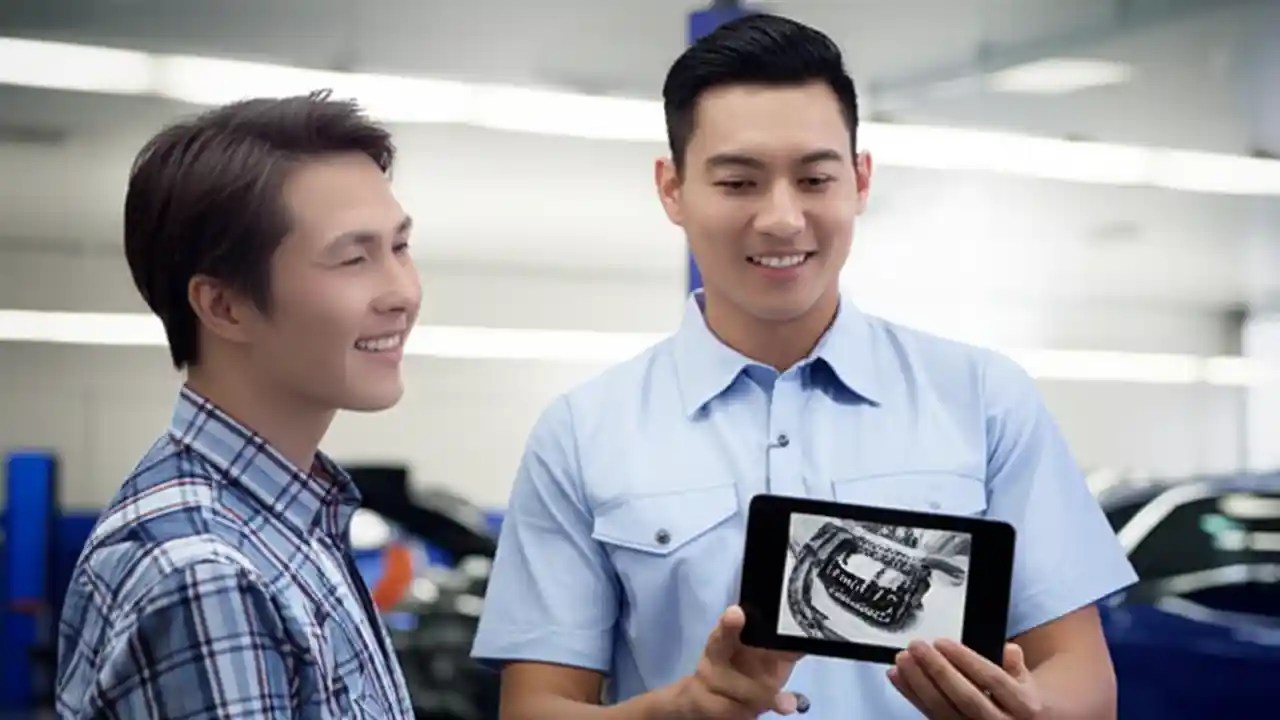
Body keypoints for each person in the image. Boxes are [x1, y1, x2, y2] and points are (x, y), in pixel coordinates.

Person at [471, 14, 1137, 720]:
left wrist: (1024, 712)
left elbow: (1081, 673)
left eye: (815, 178)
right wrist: (686, 710)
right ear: (672, 189)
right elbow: (536, 707)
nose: (783, 218)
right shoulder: (583, 432)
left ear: (860, 180)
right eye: (738, 183)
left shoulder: (982, 399)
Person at [55, 90, 420, 719]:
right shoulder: (207, 572)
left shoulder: (290, 523)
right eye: (354, 257)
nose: (402, 292)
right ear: (224, 306)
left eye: (401, 247)